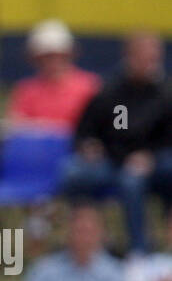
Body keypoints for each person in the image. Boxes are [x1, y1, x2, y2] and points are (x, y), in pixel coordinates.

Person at [63, 33, 172, 254]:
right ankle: (95, 240)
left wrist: (148, 156)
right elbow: (90, 131)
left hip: (156, 162)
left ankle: (139, 251)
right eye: (145, 59)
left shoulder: (165, 94)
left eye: (154, 59)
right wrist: (88, 145)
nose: (151, 65)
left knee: (133, 180)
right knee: (73, 173)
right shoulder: (111, 93)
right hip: (113, 161)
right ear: (129, 58)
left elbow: (167, 137)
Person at [19, 204, 127, 281]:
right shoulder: (44, 268)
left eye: (88, 232)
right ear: (68, 233)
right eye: (79, 231)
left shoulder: (114, 270)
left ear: (101, 234)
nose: (84, 238)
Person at [5, 20, 101, 132]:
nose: (53, 62)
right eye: (47, 57)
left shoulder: (89, 86)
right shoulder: (27, 90)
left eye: (58, 56)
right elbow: (16, 126)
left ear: (70, 55)